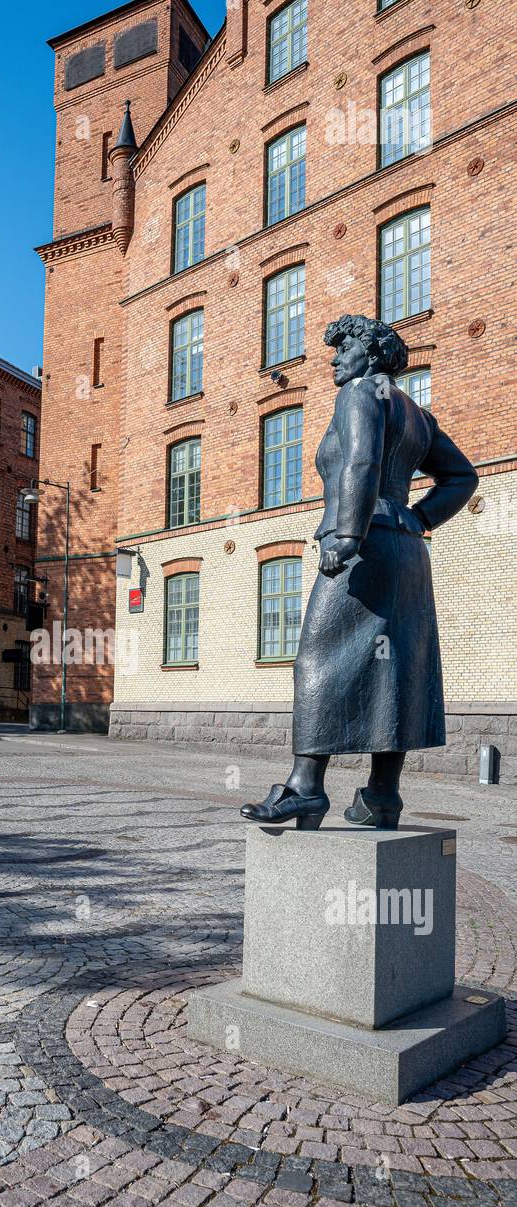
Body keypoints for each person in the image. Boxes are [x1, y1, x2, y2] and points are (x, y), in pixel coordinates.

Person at [241, 314, 478, 831]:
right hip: (407, 551)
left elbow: (362, 462)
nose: (334, 358)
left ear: (369, 354)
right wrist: (418, 517)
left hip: (364, 544)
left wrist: (346, 533)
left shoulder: (357, 394)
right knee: (396, 665)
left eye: (343, 347)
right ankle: (383, 795)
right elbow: (461, 476)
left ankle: (305, 788)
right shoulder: (416, 412)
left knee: (317, 658)